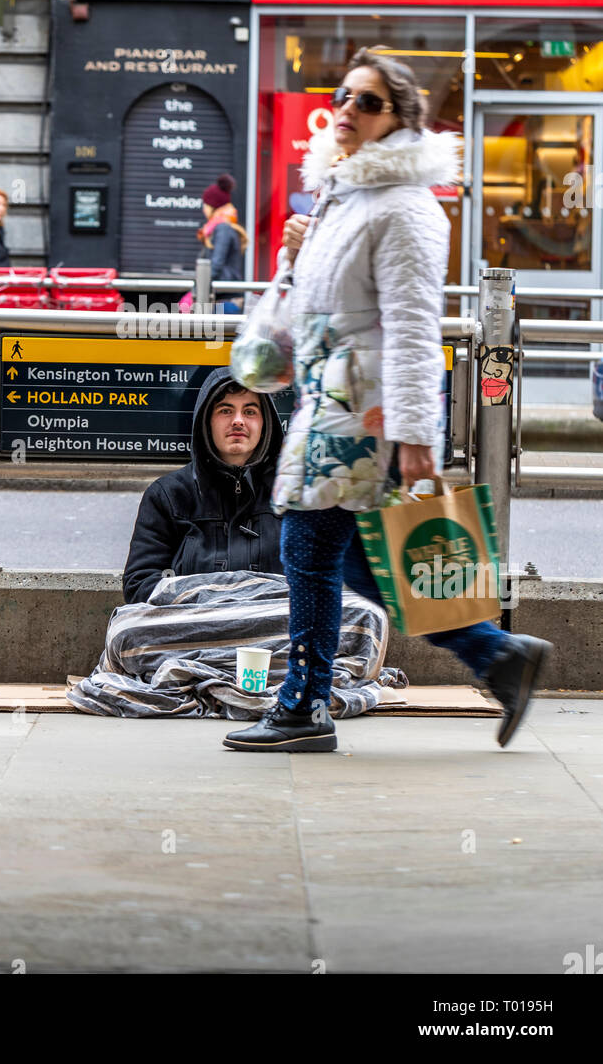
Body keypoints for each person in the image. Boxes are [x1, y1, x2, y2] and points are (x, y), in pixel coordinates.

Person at [224, 47, 551, 755]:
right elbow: (318, 305)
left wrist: (413, 434)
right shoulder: (347, 195)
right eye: (342, 95)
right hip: (333, 396)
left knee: (307, 548)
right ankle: (496, 654)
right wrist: (296, 250)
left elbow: (411, 326)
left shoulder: (405, 208)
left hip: (361, 408)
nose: (346, 109)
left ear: (401, 120)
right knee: (359, 557)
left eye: (366, 102)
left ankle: (303, 706)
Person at [122, 367, 282, 607]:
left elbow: (319, 577)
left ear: (265, 423)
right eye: (225, 410)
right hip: (189, 638)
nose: (238, 420)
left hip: (274, 639)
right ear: (206, 421)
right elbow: (139, 584)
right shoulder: (168, 495)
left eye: (249, 411)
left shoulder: (292, 496)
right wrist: (212, 602)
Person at [198, 174, 248, 313]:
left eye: (206, 204)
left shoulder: (223, 229)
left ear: (213, 206)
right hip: (224, 299)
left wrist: (199, 289)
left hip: (225, 301)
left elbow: (216, 263)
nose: (203, 209)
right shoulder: (221, 228)